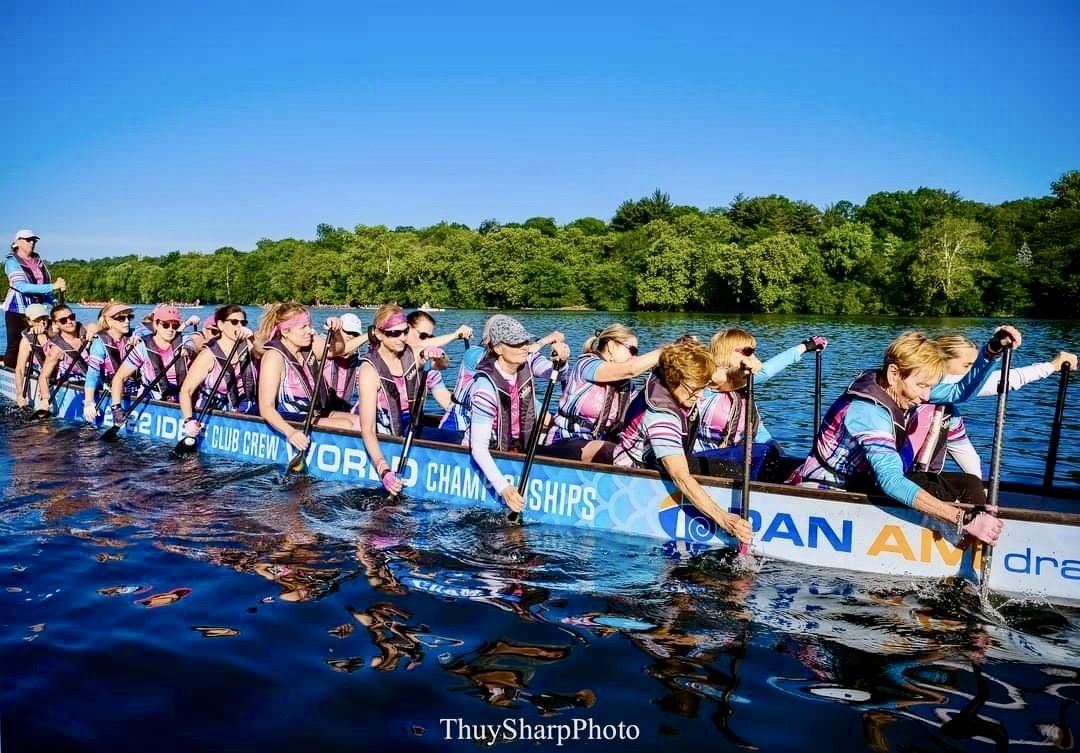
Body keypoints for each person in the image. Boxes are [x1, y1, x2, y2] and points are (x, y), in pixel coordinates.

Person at [787, 329, 1017, 546]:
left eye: (930, 387)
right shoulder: (868, 413)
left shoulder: (899, 386)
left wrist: (992, 351)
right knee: (926, 491)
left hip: (866, 481)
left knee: (969, 483)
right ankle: (970, 530)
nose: (926, 396)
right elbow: (892, 482)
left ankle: (978, 537)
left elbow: (959, 393)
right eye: (922, 386)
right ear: (894, 373)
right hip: (829, 490)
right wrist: (960, 518)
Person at [611, 339, 752, 544]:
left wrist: (742, 371)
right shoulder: (661, 416)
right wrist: (724, 519)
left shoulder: (675, 374)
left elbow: (722, 379)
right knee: (730, 469)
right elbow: (681, 478)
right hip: (638, 469)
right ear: (676, 380)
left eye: (703, 388)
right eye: (696, 390)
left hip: (662, 457)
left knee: (743, 460)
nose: (701, 396)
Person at [463, 315, 571, 514]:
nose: (523, 346)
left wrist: (561, 362)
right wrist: (504, 489)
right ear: (497, 348)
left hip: (520, 443)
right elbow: (478, 448)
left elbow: (556, 373)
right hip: (491, 447)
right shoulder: (484, 387)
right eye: (515, 343)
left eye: (525, 341)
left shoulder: (528, 359)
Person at [932, 335, 1078, 478]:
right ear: (940, 362)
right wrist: (1052, 366)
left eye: (975, 365)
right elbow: (1002, 380)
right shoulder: (928, 389)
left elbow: (971, 461)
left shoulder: (950, 414)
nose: (973, 372)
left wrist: (982, 485)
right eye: (968, 366)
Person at [691, 330, 827, 479]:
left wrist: (782, 457)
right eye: (748, 351)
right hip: (699, 462)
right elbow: (765, 372)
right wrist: (804, 347)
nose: (754, 357)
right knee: (760, 453)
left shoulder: (742, 393)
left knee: (803, 466)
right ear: (726, 352)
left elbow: (760, 434)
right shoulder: (707, 383)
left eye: (754, 351)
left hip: (732, 462)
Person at [540, 323, 660, 463]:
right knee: (610, 451)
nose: (634, 357)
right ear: (611, 346)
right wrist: (664, 351)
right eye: (632, 350)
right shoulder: (586, 364)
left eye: (637, 353)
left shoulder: (627, 386)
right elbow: (631, 369)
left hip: (599, 442)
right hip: (564, 439)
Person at [354, 305, 439, 495]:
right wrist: (383, 469)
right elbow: (367, 429)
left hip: (411, 430)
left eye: (405, 331)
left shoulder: (412, 353)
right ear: (379, 334)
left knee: (458, 438)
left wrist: (439, 356)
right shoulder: (370, 370)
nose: (402, 337)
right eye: (395, 333)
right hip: (387, 435)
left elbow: (444, 364)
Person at [255, 302, 354, 454]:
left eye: (309, 325)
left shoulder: (309, 344)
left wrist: (337, 333)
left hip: (314, 412)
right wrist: (290, 433)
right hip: (288, 417)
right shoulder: (273, 356)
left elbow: (338, 351)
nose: (310, 331)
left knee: (361, 422)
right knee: (346, 425)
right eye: (303, 327)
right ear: (286, 331)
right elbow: (266, 408)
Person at [178, 306, 260, 437]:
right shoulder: (208, 355)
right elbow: (186, 391)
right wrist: (188, 420)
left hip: (244, 408)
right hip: (213, 410)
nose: (239, 326)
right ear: (221, 325)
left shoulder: (249, 348)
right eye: (234, 322)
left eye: (243, 323)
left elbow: (265, 351)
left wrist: (252, 338)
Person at [109, 305, 192, 426]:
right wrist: (116, 408)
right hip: (151, 396)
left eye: (175, 326)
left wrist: (190, 348)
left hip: (181, 398)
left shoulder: (185, 340)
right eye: (165, 325)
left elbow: (198, 339)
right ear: (156, 325)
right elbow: (119, 378)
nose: (170, 329)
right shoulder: (143, 347)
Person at [4, 230, 66, 367]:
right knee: (15, 344)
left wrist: (55, 301)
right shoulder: (11, 262)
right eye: (28, 240)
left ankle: (46, 371)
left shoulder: (38, 262)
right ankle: (9, 374)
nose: (32, 243)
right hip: (17, 309)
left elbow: (41, 287)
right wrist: (53, 286)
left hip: (38, 312)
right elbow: (22, 287)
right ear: (18, 242)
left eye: (34, 240)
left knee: (49, 337)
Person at [34, 304, 95, 412]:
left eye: (71, 317)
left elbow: (97, 325)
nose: (69, 322)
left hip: (93, 384)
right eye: (63, 320)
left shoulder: (86, 332)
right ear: (56, 324)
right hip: (72, 386)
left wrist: (94, 330)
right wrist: (46, 398)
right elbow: (44, 377)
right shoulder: (57, 349)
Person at [83, 304, 136, 424]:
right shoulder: (99, 344)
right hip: (108, 388)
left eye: (129, 317)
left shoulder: (134, 336)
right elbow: (92, 374)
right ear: (108, 320)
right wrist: (89, 402)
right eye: (121, 318)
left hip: (132, 388)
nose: (127, 321)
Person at [321, 312, 366, 412]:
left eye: (355, 334)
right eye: (348, 332)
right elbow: (342, 351)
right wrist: (370, 335)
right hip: (321, 408)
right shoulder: (326, 346)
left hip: (342, 409)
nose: (351, 336)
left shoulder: (359, 361)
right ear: (338, 331)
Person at [12, 303, 52, 407]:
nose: (42, 322)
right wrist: (19, 394)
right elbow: (20, 369)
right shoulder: (26, 340)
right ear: (29, 321)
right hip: (41, 374)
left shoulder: (56, 329)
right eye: (37, 320)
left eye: (44, 318)